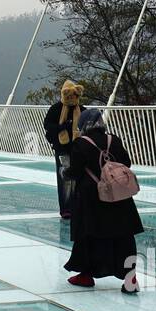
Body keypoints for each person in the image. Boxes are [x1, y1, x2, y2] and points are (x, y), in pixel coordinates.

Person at [64, 108, 143, 292]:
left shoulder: (80, 144)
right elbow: (127, 163)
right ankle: (130, 279)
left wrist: (64, 172)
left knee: (89, 235)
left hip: (92, 198)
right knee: (123, 236)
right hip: (118, 196)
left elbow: (75, 172)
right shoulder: (113, 140)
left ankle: (85, 275)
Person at [43, 79, 86, 219]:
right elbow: (47, 125)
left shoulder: (82, 110)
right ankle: (67, 208)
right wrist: (62, 127)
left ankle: (77, 206)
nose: (71, 99)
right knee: (65, 179)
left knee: (77, 178)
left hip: (78, 149)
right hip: (63, 149)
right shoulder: (56, 109)